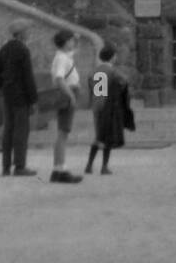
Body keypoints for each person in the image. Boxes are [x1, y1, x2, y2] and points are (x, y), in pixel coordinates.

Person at [0, 20, 38, 177]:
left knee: (8, 130)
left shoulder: (4, 49)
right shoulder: (23, 50)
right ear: (22, 33)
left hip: (8, 94)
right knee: (21, 131)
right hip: (21, 96)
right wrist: (33, 98)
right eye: (27, 30)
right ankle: (19, 165)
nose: (29, 33)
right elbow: (28, 76)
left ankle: (5, 166)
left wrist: (4, 86)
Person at [85, 43, 133, 176]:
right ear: (112, 57)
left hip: (96, 105)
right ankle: (104, 167)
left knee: (98, 134)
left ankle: (89, 165)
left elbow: (90, 86)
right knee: (108, 136)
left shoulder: (93, 71)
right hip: (108, 105)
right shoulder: (113, 71)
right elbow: (124, 82)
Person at [50, 30, 82, 184]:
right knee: (63, 133)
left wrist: (77, 39)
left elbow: (74, 52)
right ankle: (61, 169)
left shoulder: (62, 56)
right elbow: (60, 79)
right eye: (70, 40)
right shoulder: (62, 58)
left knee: (62, 132)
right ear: (65, 42)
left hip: (66, 92)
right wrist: (71, 95)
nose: (73, 43)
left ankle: (58, 169)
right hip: (67, 92)